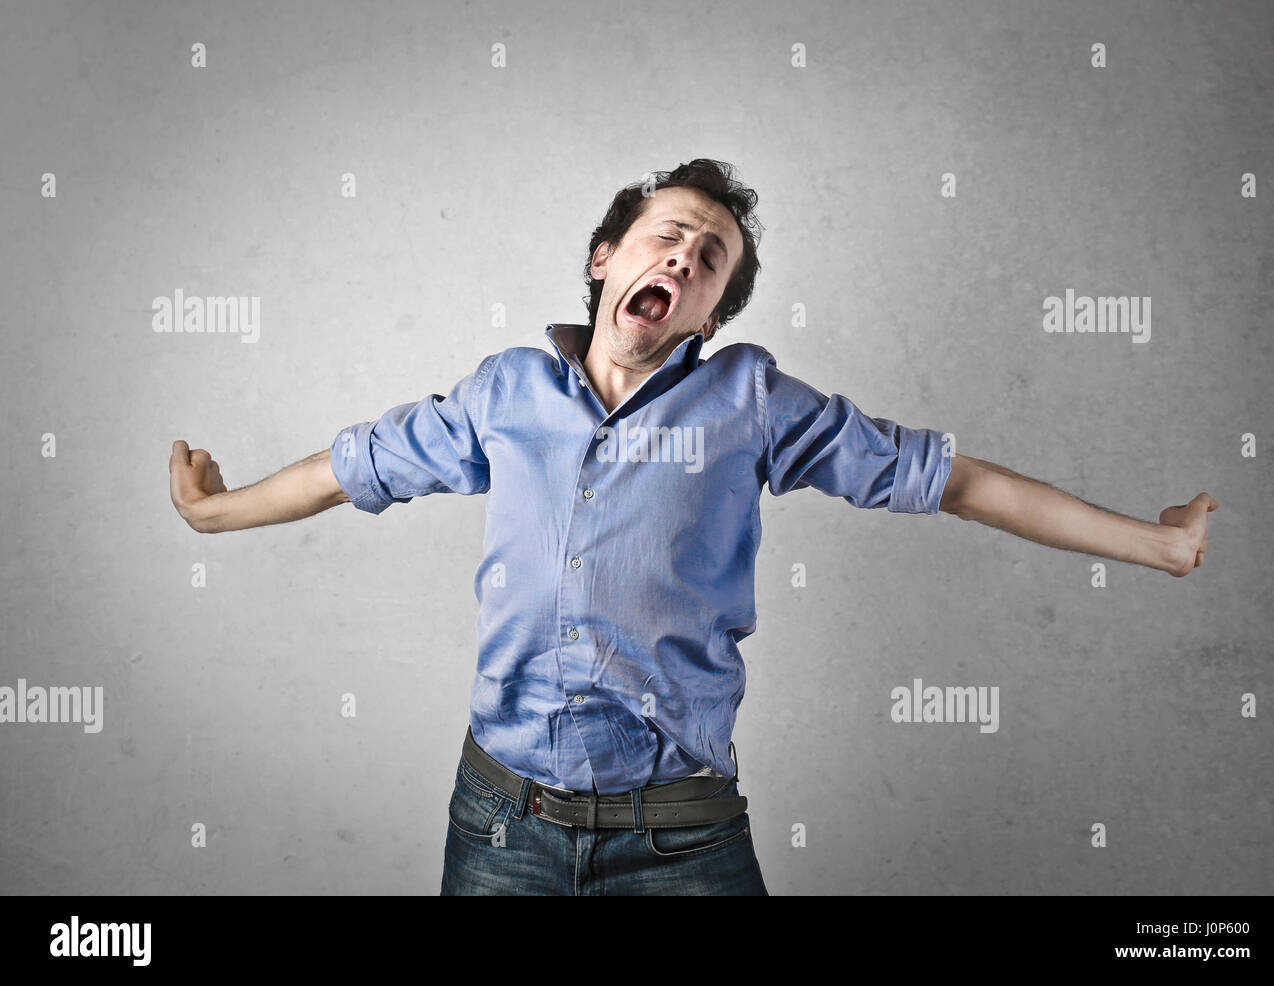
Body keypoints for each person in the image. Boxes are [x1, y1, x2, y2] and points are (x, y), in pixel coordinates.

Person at [168, 158, 1217, 896]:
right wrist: (215, 510)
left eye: (709, 257)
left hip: (678, 837)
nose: (685, 253)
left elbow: (955, 481)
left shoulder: (748, 403)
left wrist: (1156, 540)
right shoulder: (506, 393)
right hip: (499, 822)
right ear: (603, 258)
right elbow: (350, 468)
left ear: (709, 315)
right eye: (666, 234)